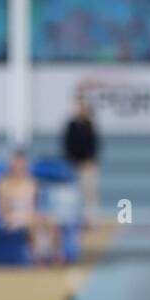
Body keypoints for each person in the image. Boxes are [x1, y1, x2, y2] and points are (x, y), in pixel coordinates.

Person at [0, 148, 63, 263]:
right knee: (33, 223)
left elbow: (36, 204)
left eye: (22, 163)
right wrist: (8, 215)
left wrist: (40, 215)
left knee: (52, 221)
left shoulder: (31, 182)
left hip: (30, 214)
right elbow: (0, 206)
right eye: (17, 163)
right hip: (11, 217)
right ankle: (38, 257)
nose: (19, 166)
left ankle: (56, 255)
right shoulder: (2, 182)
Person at [62, 94, 99, 224]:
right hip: (73, 164)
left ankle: (91, 218)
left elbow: (93, 145)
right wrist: (71, 161)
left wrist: (91, 161)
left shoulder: (89, 124)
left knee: (89, 192)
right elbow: (67, 145)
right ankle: (73, 217)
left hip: (87, 164)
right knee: (73, 191)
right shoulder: (71, 125)